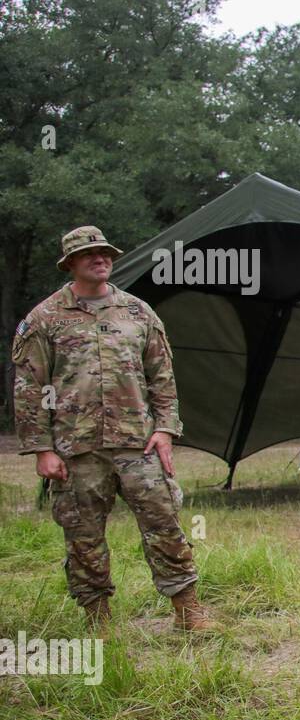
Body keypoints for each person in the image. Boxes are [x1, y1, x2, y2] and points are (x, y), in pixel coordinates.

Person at [12, 225, 213, 632]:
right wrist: (41, 449)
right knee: (84, 539)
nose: (99, 258)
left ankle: (188, 613)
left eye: (104, 252)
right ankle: (98, 623)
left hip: (138, 443)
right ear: (70, 264)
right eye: (89, 254)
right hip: (76, 449)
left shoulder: (139, 313)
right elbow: (29, 387)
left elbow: (162, 376)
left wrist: (166, 430)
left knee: (164, 524)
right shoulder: (45, 318)